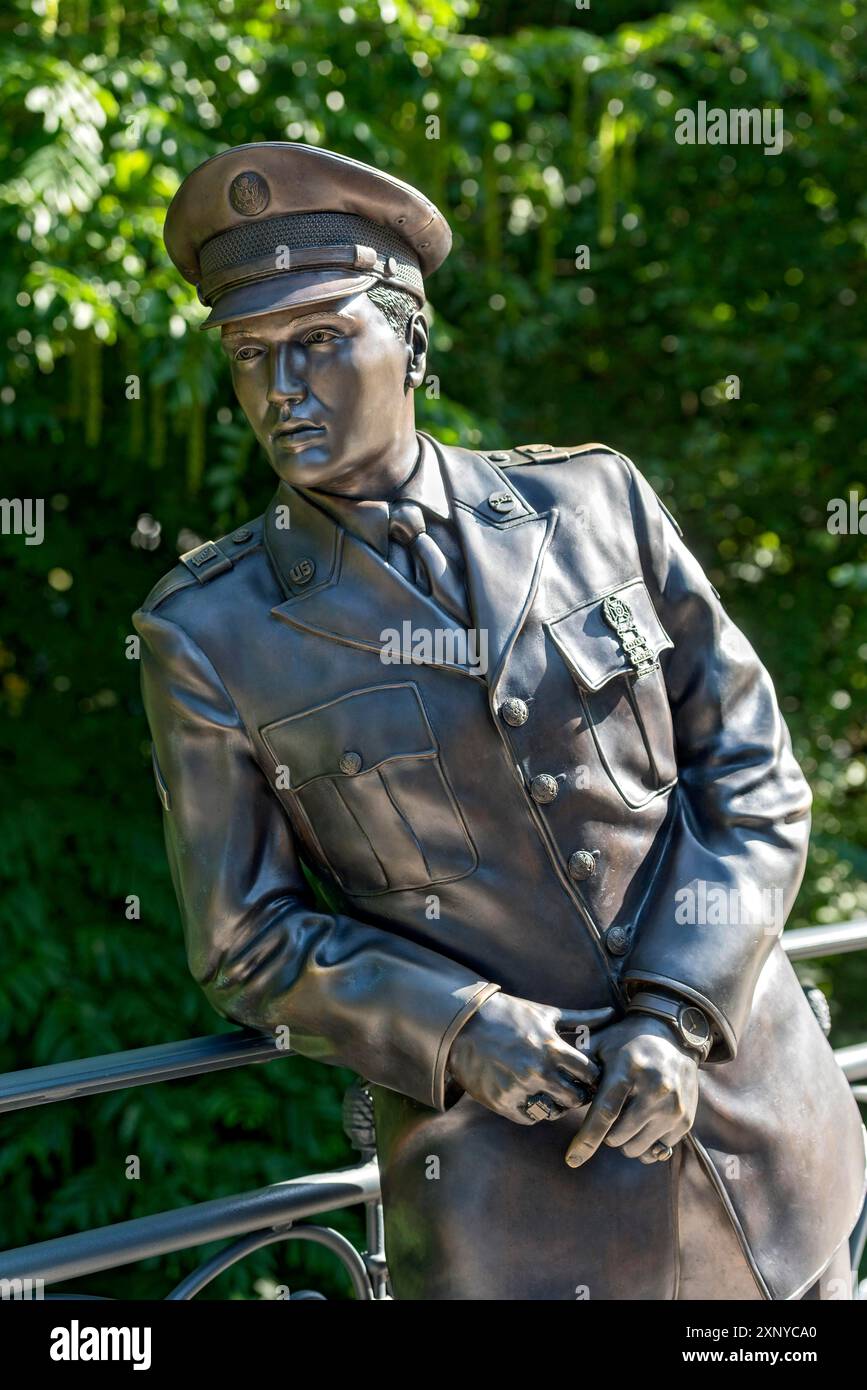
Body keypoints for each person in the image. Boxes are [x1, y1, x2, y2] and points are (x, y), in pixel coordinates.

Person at [134, 142, 866, 1300]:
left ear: (411, 342)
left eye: (320, 341)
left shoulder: (593, 501)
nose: (281, 388)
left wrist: (675, 1015)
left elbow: (752, 770)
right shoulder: (213, 633)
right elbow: (247, 936)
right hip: (525, 1221)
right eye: (250, 356)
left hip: (772, 1156)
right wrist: (462, 1025)